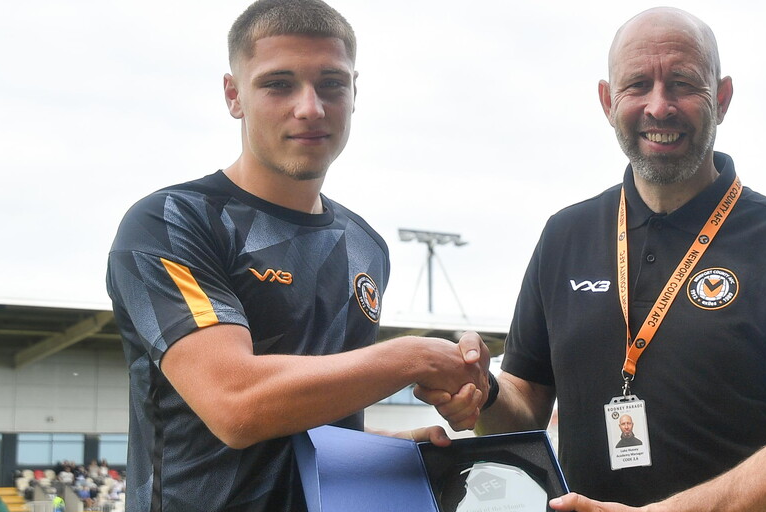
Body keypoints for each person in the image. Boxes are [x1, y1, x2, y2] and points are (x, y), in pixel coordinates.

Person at [420, 6, 766, 512]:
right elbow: (525, 410)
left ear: (724, 97)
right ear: (607, 101)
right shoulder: (566, 235)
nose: (659, 106)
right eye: (638, 85)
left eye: (684, 84)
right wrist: (486, 390)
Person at [105, 1, 489, 510]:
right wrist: (412, 356)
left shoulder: (365, 245)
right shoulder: (170, 222)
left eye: (332, 83)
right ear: (233, 95)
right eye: (278, 84)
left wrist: (379, 450)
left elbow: (310, 424)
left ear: (355, 92)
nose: (310, 107)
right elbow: (235, 405)